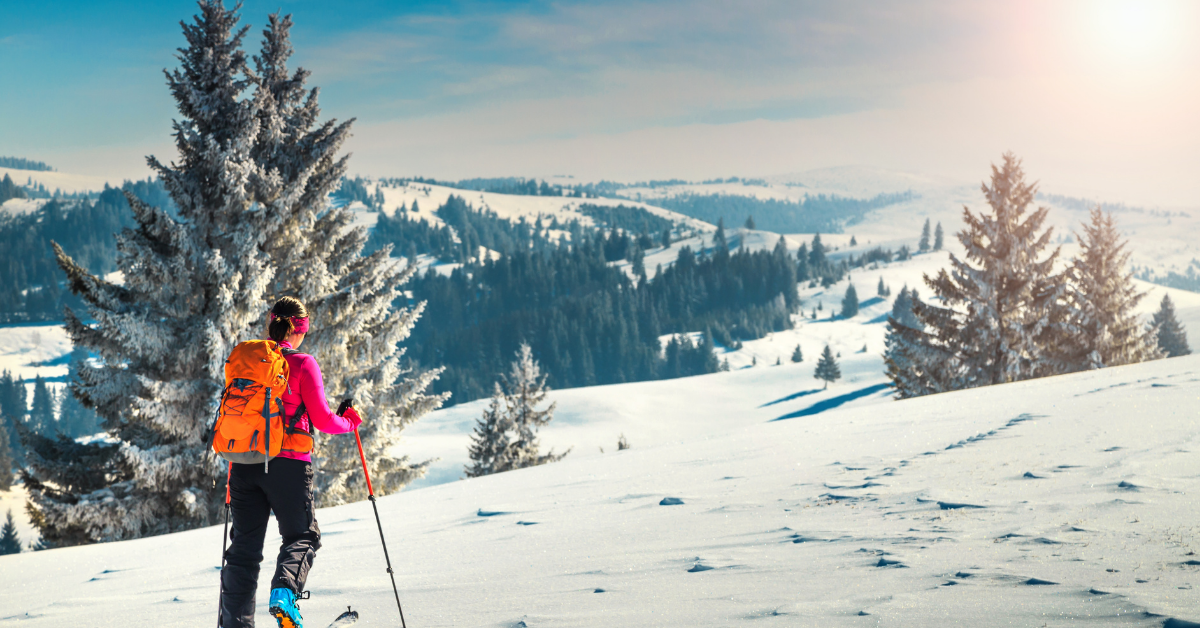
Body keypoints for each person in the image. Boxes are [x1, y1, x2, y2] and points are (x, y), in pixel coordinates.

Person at [221, 296, 363, 628]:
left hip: (242, 463)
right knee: (303, 536)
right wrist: (351, 422)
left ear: (271, 324)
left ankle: (236, 625)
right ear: (299, 329)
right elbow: (325, 420)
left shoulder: (248, 360)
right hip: (288, 464)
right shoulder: (302, 363)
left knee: (243, 552)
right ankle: (285, 594)